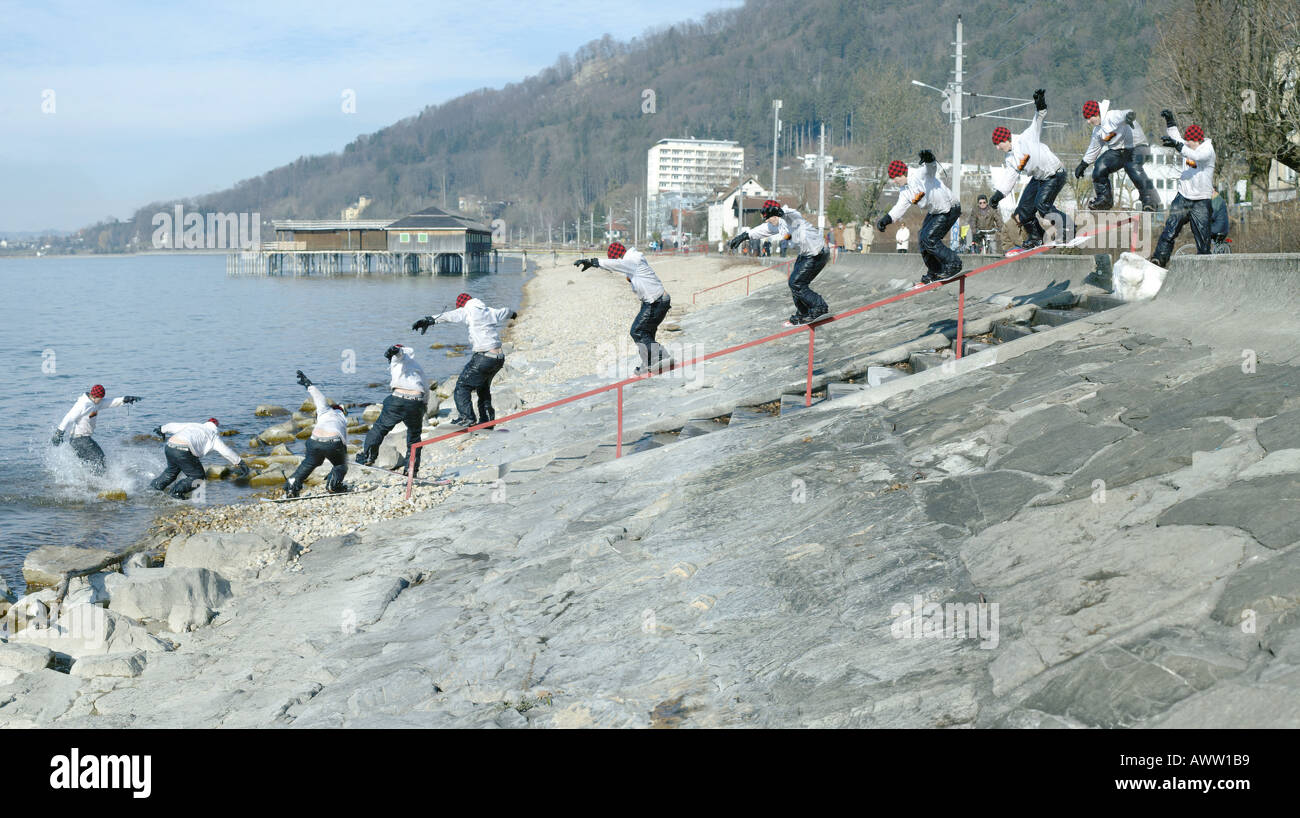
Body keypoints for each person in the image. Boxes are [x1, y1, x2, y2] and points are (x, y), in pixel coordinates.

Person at [413, 292, 515, 427]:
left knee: (462, 387)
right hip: (498, 357)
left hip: (484, 356)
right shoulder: (488, 310)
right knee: (483, 388)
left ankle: (467, 418)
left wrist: (429, 319)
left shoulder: (467, 310)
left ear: (461, 305)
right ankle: (487, 421)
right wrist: (514, 314)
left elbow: (450, 315)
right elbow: (505, 311)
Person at [727, 199, 830, 326]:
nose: (766, 220)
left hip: (817, 253)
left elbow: (790, 213)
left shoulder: (790, 217)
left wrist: (780, 211)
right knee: (793, 283)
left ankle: (819, 307)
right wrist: (743, 236)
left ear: (775, 214)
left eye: (768, 218)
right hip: (805, 254)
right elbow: (762, 230)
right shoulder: (777, 224)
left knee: (796, 283)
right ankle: (803, 312)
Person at [991, 89, 1069, 252]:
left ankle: (1068, 229)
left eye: (999, 145)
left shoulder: (1026, 138)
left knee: (1042, 205)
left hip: (1055, 173)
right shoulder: (1010, 158)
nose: (998, 148)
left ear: (1006, 139)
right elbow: (1010, 177)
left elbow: (1037, 121)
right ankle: (1036, 237)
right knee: (1023, 210)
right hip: (1039, 178)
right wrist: (998, 195)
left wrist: (1040, 106)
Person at [575, 243, 672, 374]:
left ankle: (662, 355)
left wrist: (593, 262)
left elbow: (616, 265)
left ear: (618, 256)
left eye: (615, 259)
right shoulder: (633, 260)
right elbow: (621, 266)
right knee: (646, 333)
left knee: (637, 331)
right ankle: (649, 363)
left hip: (656, 301)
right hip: (656, 300)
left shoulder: (632, 260)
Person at [876, 151, 963, 285]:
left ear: (901, 174)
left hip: (950, 208)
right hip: (936, 212)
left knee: (929, 238)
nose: (894, 181)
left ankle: (954, 263)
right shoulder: (904, 191)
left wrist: (930, 159)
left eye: (895, 178)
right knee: (922, 239)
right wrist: (886, 220)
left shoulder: (918, 175)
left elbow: (930, 169)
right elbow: (899, 208)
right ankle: (935, 270)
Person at [1149, 115, 1216, 267]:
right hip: (1183, 197)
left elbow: (1195, 155)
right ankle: (1159, 259)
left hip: (1201, 201)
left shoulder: (1207, 150)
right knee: (1170, 230)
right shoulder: (1189, 145)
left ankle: (1205, 267)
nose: (1187, 145)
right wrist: (1170, 122)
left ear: (1197, 141)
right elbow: (1178, 139)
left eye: (1189, 142)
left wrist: (1179, 146)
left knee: (1203, 239)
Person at [356, 343, 429, 475]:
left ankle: (368, 457)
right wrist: (424, 405)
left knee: (379, 429)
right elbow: (426, 386)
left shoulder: (398, 359)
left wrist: (394, 350)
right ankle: (411, 469)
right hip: (416, 401)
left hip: (398, 400)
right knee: (414, 437)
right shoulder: (417, 366)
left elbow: (399, 354)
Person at [1075, 99, 1160, 212]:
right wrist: (1083, 164)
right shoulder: (1097, 131)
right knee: (1100, 167)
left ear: (1097, 114)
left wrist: (1129, 116)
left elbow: (1124, 113)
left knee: (1131, 166)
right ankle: (1104, 200)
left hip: (1138, 147)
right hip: (1118, 151)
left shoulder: (1111, 116)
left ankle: (1150, 199)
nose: (1088, 121)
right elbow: (1093, 148)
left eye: (1090, 118)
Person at [283, 370, 350, 498]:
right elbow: (343, 442)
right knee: (340, 465)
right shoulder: (342, 418)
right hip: (333, 441)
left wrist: (308, 384)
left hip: (314, 440)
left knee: (309, 463)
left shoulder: (324, 411)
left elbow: (319, 397)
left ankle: (292, 485)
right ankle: (333, 485)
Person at [149, 418, 248, 499]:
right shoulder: (213, 435)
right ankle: (176, 493)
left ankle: (154, 488)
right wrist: (239, 462)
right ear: (217, 427)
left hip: (169, 446)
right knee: (198, 476)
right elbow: (226, 451)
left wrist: (161, 429)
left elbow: (174, 425)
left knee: (171, 472)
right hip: (183, 450)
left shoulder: (194, 425)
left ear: (206, 423)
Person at [51, 385, 142, 472]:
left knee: (90, 464)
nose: (102, 400)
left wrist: (125, 399)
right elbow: (69, 417)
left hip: (79, 440)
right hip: (81, 440)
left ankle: (90, 484)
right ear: (95, 396)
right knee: (100, 460)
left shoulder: (95, 402)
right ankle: (101, 483)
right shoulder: (83, 404)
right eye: (101, 398)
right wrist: (59, 432)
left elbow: (110, 402)